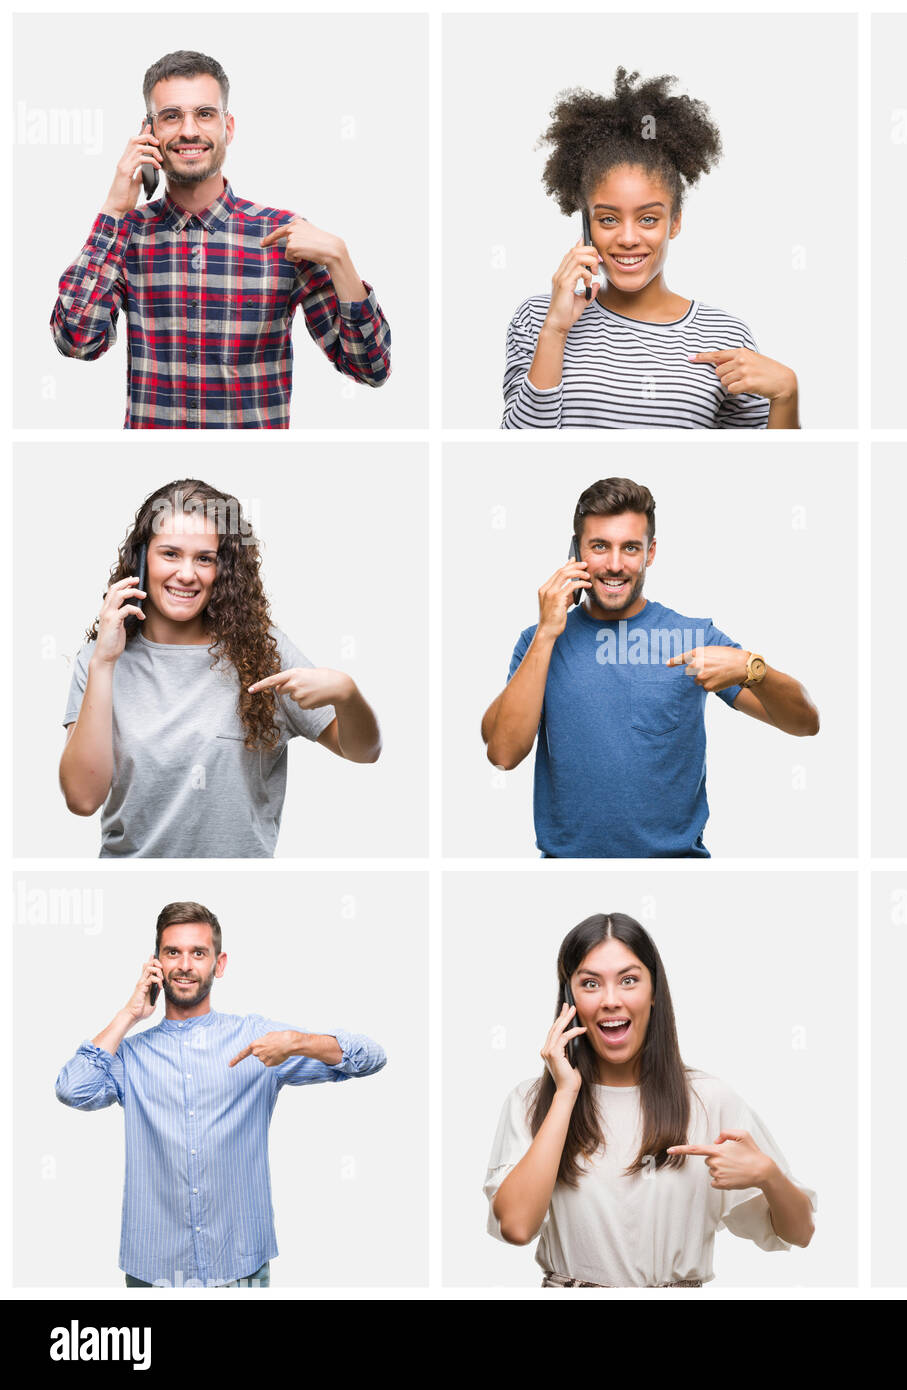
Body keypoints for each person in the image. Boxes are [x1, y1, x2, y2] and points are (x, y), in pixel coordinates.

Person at [480, 476, 820, 857]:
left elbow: (805, 723)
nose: (614, 565)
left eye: (630, 548)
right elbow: (503, 754)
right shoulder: (537, 643)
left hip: (676, 872)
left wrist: (752, 667)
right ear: (575, 551)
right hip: (567, 873)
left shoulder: (692, 637)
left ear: (650, 552)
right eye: (599, 546)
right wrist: (546, 633)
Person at [50, 50, 391, 428]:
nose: (189, 130)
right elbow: (76, 340)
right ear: (149, 132)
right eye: (171, 116)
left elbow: (370, 367)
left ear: (228, 127)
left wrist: (341, 260)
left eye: (205, 114)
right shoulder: (126, 235)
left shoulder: (284, 235)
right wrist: (114, 211)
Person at [55, 902, 387, 1287]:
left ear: (219, 963)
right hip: (155, 1269)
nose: (185, 965)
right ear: (156, 964)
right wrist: (129, 1014)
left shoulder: (257, 1039)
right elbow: (72, 1089)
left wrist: (299, 1042)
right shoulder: (131, 1055)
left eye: (199, 953)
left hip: (239, 1265)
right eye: (173, 952)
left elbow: (371, 1057)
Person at [484, 913, 815, 1287]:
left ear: (654, 991)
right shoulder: (530, 1101)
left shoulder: (709, 1099)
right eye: (590, 983)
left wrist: (768, 1175)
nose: (611, 1000)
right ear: (569, 998)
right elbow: (516, 1227)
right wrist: (565, 1093)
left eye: (628, 980)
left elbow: (800, 1232)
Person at [60, 477, 382, 857]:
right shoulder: (99, 660)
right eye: (170, 554)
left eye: (204, 559)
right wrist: (103, 663)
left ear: (224, 569)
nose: (186, 574)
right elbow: (82, 799)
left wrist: (347, 694)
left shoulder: (262, 652)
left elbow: (364, 752)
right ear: (142, 560)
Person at [502, 67, 799, 429]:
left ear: (674, 222)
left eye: (647, 219)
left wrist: (787, 395)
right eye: (608, 219)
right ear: (587, 225)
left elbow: (765, 464)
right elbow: (517, 452)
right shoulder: (537, 318)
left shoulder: (724, 336)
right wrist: (555, 331)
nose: (628, 238)